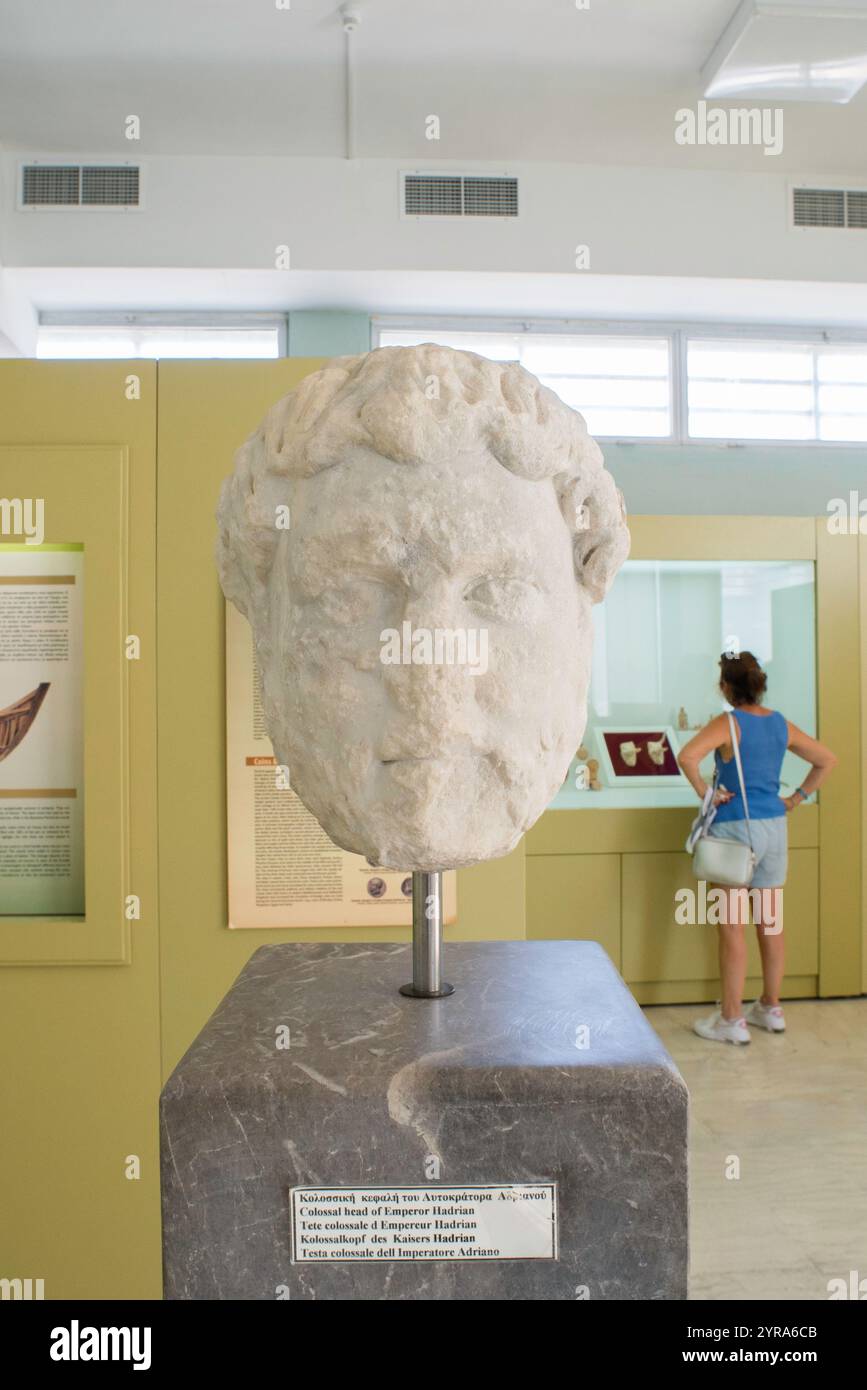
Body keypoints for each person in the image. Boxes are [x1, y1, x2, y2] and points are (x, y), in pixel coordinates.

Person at [677, 651, 836, 1045]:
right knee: (771, 923)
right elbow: (825, 760)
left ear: (726, 687)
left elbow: (688, 756)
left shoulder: (729, 723)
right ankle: (771, 1007)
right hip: (775, 830)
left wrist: (707, 793)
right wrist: (795, 798)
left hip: (736, 831)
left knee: (732, 928)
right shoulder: (780, 723)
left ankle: (731, 1019)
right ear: (759, 685)